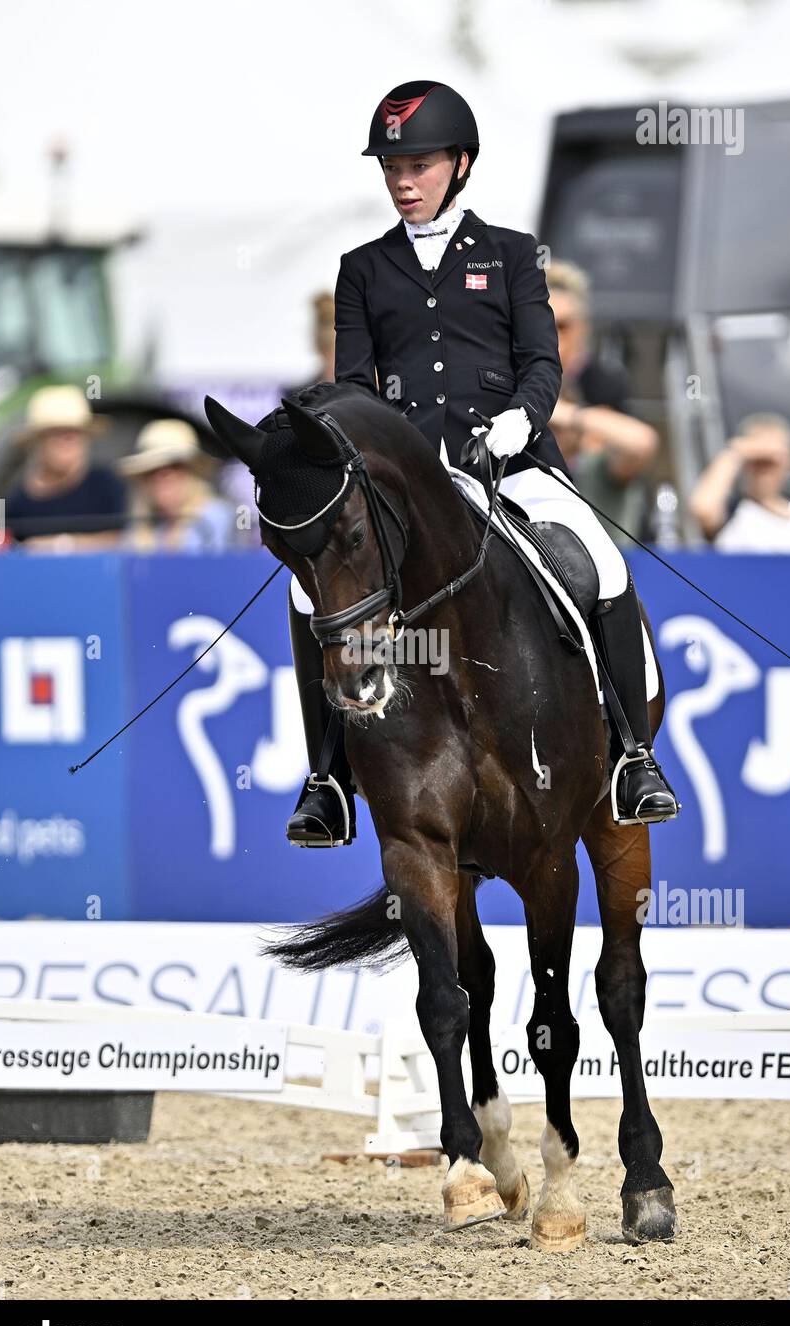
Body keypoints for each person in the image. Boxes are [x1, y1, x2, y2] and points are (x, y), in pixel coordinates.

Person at [286, 79, 679, 848]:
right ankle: (327, 778)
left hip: (510, 464)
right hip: (405, 488)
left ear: (460, 163)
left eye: (418, 165)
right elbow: (353, 383)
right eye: (391, 168)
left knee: (599, 560)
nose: (403, 181)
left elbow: (542, 360)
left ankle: (633, 755)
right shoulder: (362, 268)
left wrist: (517, 421)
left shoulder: (509, 256)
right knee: (310, 599)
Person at [544, 261, 659, 550]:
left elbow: (638, 444)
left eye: (563, 325)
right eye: (542, 321)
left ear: (582, 328)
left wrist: (561, 414)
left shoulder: (606, 381)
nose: (553, 336)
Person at [4, 385, 126, 552]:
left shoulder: (105, 484)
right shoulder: (18, 501)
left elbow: (122, 541)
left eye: (74, 433)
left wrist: (61, 544)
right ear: (38, 441)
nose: (67, 441)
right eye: (57, 434)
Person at [689, 414, 790, 552]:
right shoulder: (732, 511)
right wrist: (736, 452)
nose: (763, 469)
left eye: (771, 462)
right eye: (756, 460)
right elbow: (703, 508)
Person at [118, 419, 240, 553]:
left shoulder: (215, 516)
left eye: (174, 467)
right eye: (151, 471)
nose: (163, 476)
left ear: (193, 473)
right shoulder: (141, 529)